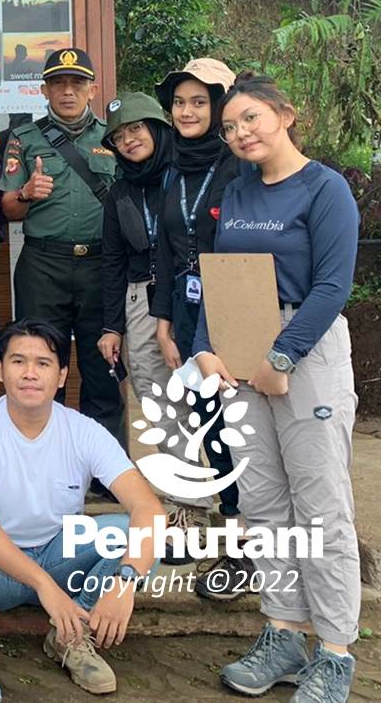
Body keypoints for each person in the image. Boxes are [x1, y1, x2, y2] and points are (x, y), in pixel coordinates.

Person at [193, 74, 361, 703]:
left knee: (321, 505)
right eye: (230, 127)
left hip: (304, 348)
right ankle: (284, 633)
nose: (240, 133)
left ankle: (335, 651)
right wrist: (206, 345)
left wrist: (283, 355)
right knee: (263, 503)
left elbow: (332, 287)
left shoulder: (325, 188)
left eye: (251, 119)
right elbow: (221, 277)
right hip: (239, 350)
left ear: (286, 114)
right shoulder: (236, 193)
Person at [0, 321, 164, 699]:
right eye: (18, 361)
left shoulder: (84, 430)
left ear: (62, 375)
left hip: (63, 558)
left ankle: (71, 635)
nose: (30, 373)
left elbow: (149, 510)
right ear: (0, 370)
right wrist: (44, 586)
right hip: (1, 568)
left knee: (136, 534)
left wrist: (125, 583)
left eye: (43, 363)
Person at [149, 57, 250, 594]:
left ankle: (242, 546)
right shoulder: (174, 167)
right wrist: (164, 321)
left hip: (235, 308)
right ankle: (206, 523)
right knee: (204, 421)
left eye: (200, 102)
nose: (187, 112)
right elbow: (166, 249)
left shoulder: (241, 165)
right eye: (180, 102)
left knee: (238, 425)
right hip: (189, 311)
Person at [95, 93, 210, 529]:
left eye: (136, 129)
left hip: (195, 291)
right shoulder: (119, 191)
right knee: (158, 400)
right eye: (119, 136)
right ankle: (188, 501)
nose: (129, 140)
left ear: (157, 129)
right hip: (140, 296)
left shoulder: (188, 173)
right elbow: (112, 261)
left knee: (216, 396)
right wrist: (112, 326)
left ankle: (242, 498)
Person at [0, 47, 123, 448]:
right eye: (58, 83)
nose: (67, 92)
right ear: (44, 90)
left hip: (100, 266)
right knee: (40, 363)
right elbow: (7, 208)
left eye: (77, 83)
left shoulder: (113, 137)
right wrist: (27, 193)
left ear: (93, 89)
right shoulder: (25, 138)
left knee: (101, 366)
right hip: (43, 266)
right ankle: (44, 457)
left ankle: (102, 466)